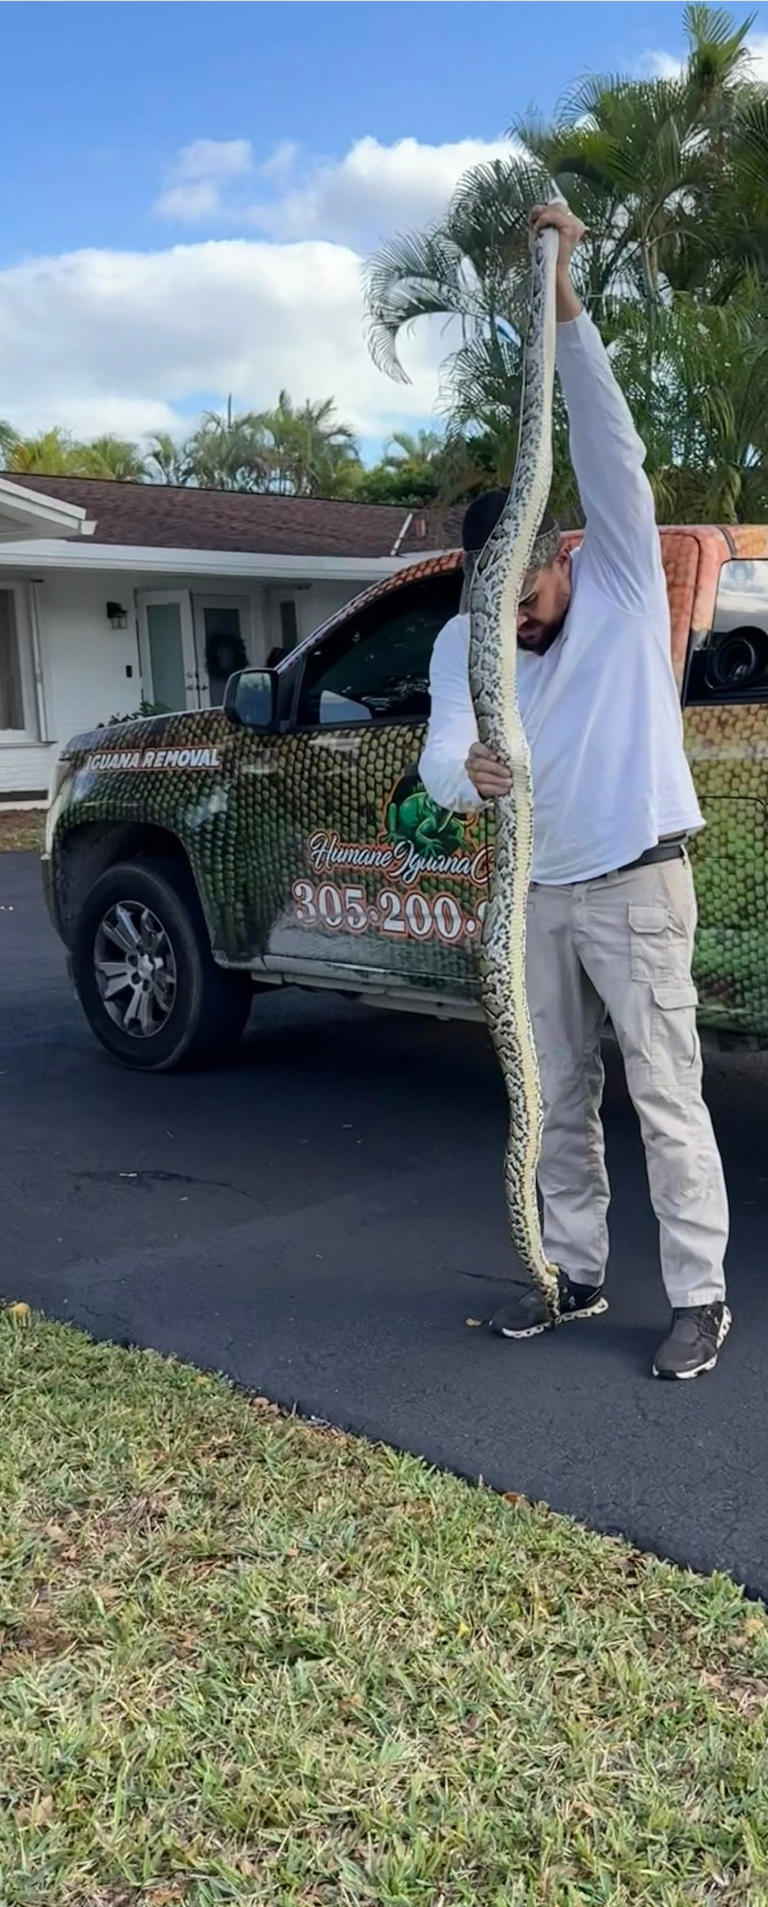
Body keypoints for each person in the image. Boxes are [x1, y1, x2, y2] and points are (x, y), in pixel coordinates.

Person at [419, 200, 730, 1381]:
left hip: (639, 878)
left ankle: (699, 1296)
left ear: (559, 553)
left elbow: (605, 444)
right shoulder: (465, 645)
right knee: (552, 1097)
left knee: (667, 1095)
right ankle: (575, 1274)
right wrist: (474, 776)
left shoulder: (619, 583)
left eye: (525, 584)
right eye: (489, 597)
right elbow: (444, 765)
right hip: (536, 892)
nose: (513, 613)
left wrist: (565, 303)